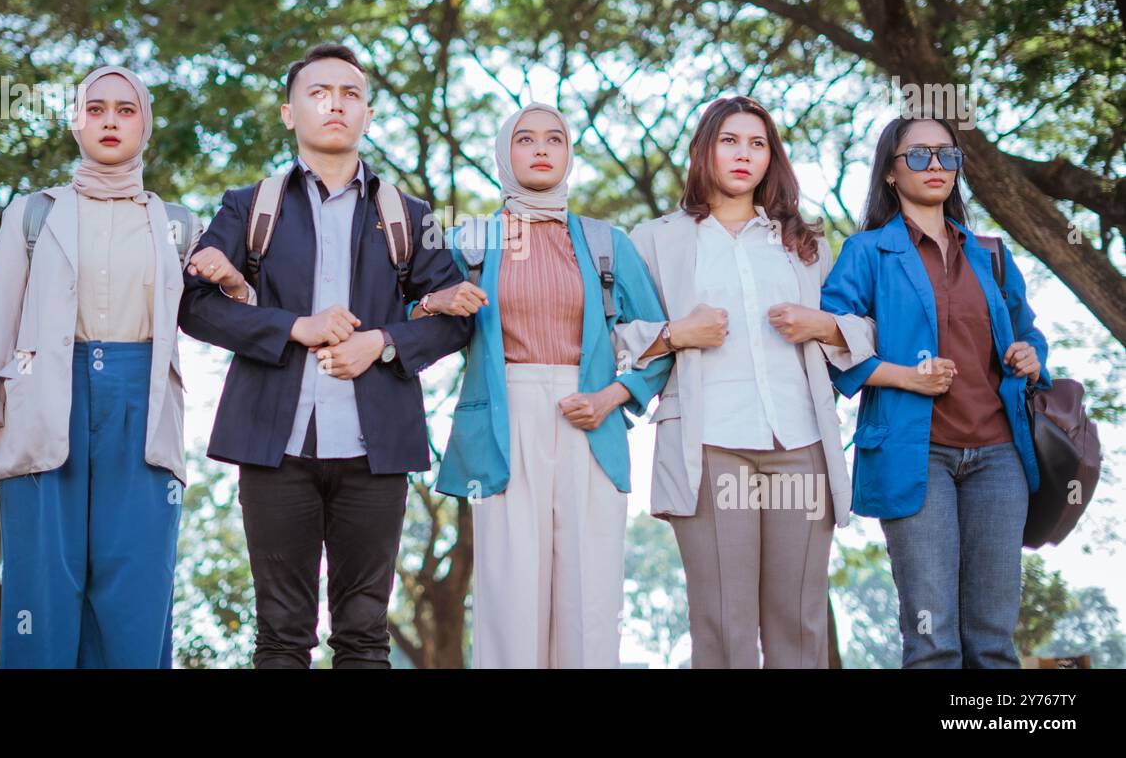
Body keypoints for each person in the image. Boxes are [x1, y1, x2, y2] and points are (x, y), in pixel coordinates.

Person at [177, 42, 472, 668]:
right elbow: (195, 308)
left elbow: (456, 319)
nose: (335, 104)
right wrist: (293, 328)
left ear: (366, 113)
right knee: (281, 635)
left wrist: (384, 342)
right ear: (290, 113)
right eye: (318, 93)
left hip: (377, 450)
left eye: (350, 94)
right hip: (272, 444)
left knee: (365, 635)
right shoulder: (247, 205)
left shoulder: (409, 216)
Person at [613, 94, 875, 668]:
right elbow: (614, 335)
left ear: (770, 159)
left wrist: (823, 323)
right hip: (708, 446)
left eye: (758, 144)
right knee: (724, 625)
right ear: (704, 150)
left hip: (801, 443)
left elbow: (865, 333)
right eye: (729, 141)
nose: (743, 154)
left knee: (801, 624)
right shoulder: (655, 239)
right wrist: (678, 333)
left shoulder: (804, 243)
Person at [0, 65, 199, 668]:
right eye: (95, 109)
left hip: (142, 413)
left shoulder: (181, 225)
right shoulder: (32, 215)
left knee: (136, 592)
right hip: (43, 405)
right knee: (42, 593)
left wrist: (239, 286)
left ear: (146, 126)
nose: (110, 120)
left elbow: (217, 314)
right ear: (75, 123)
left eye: (125, 109)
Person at [418, 102, 674, 668]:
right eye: (525, 139)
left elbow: (660, 342)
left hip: (593, 418)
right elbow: (411, 316)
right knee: (509, 592)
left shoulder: (608, 243)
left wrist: (613, 396)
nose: (540, 149)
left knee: (591, 592)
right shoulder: (471, 241)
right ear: (503, 154)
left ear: (568, 154)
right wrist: (432, 300)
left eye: (554, 139)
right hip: (504, 422)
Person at [820, 111, 1049, 668]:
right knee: (932, 640)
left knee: (994, 640)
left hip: (999, 457)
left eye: (948, 155)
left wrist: (1031, 354)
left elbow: (1028, 331)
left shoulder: (989, 253)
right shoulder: (866, 252)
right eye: (918, 155)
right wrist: (905, 376)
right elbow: (833, 345)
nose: (936, 166)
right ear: (892, 173)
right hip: (914, 454)